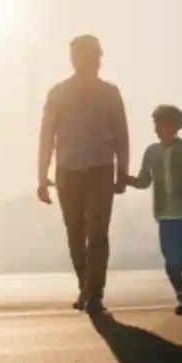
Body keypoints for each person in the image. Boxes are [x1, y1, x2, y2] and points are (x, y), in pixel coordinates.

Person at [37, 34, 130, 313]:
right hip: (67, 171)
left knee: (98, 232)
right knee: (75, 232)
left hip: (101, 169)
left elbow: (121, 135)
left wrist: (123, 172)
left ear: (99, 57)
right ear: (73, 59)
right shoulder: (59, 92)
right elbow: (46, 137)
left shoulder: (109, 92)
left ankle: (95, 293)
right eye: (81, 54)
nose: (89, 60)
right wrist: (42, 177)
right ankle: (85, 287)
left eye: (92, 54)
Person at [128, 105, 182, 315]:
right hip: (164, 214)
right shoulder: (151, 152)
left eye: (163, 123)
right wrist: (124, 180)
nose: (158, 128)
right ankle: (181, 295)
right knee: (170, 257)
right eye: (156, 123)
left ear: (176, 126)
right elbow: (143, 181)